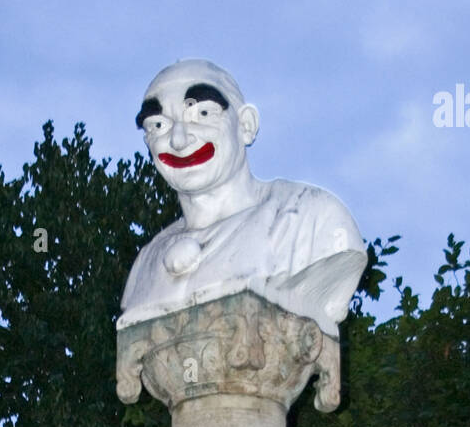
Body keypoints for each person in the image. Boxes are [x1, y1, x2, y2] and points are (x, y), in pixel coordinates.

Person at [119, 59, 367, 340]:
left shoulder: (313, 220)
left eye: (202, 113)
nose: (178, 139)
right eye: (158, 124)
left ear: (246, 125)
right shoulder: (146, 265)